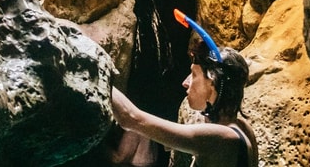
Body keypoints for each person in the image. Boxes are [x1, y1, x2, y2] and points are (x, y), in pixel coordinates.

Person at [110, 10, 258, 167]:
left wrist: (99, 69)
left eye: (194, 75)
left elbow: (131, 118)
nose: (185, 83)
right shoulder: (244, 129)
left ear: (212, 84)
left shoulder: (223, 138)